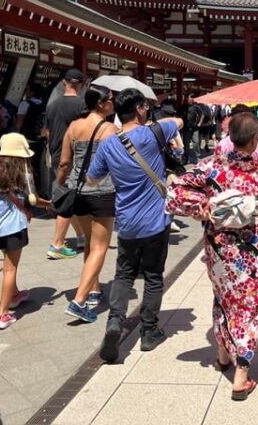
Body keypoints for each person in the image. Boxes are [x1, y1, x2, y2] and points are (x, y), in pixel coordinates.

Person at [167, 112, 258, 401]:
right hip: (252, 247)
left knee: (223, 296)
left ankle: (223, 354)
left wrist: (204, 205)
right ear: (255, 139)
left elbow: (176, 191)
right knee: (249, 306)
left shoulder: (211, 166)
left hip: (219, 244)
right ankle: (241, 375)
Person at [86, 88, 182, 363]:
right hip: (155, 220)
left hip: (126, 221)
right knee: (153, 275)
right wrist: (155, 123)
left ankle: (115, 322)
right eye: (146, 107)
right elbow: (179, 122)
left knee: (124, 274)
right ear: (139, 109)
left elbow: (93, 180)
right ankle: (149, 331)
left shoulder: (108, 144)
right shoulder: (153, 133)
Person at [0, 133, 51, 330]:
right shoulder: (23, 174)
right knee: (10, 269)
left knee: (7, 262)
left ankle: (15, 294)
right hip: (14, 228)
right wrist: (49, 204)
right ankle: (3, 314)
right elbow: (33, 199)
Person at [57, 85, 118, 323]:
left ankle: (93, 290)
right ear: (101, 103)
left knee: (89, 245)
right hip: (102, 191)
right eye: (111, 99)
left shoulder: (73, 127)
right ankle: (80, 300)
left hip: (78, 190)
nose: (113, 103)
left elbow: (64, 162)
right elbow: (116, 163)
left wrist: (60, 184)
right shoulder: (110, 130)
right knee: (100, 247)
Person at [44, 69, 86, 259]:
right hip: (74, 156)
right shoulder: (83, 105)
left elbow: (47, 131)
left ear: (64, 83)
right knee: (68, 199)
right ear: (82, 85)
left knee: (68, 195)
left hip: (55, 155)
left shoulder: (52, 106)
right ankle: (57, 244)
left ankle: (81, 236)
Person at [183, 93, 201, 164]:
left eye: (191, 98)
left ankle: (197, 156)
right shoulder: (183, 107)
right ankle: (187, 158)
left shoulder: (196, 106)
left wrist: (199, 123)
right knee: (186, 144)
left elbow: (202, 114)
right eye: (190, 97)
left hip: (194, 127)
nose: (190, 99)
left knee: (196, 142)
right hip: (186, 127)